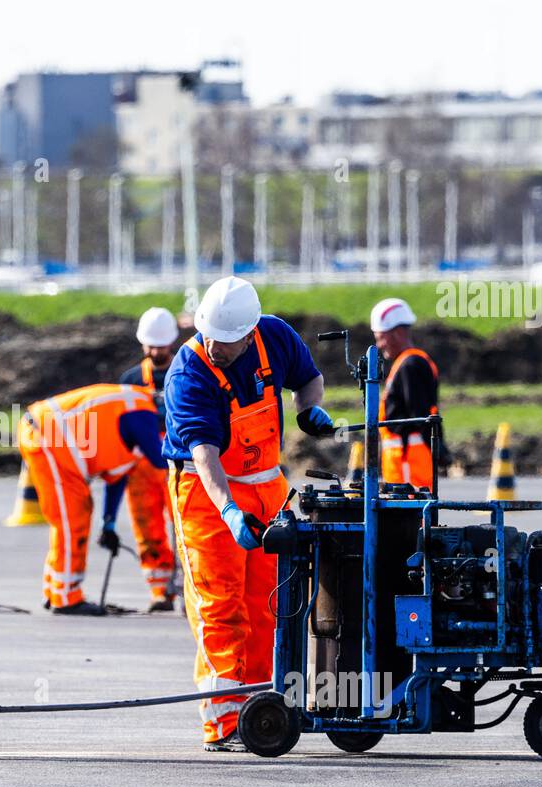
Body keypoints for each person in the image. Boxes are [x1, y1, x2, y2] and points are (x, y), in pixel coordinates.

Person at [163, 276, 334, 751]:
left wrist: (308, 410)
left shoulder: (275, 337)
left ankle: (259, 711)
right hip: (206, 492)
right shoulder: (189, 373)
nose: (215, 346)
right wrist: (230, 512)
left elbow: (309, 380)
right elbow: (204, 456)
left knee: (268, 604)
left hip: (267, 486)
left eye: (226, 340)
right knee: (220, 606)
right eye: (209, 336)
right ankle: (222, 720)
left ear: (250, 332)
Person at [18, 383, 167, 616]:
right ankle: (66, 597)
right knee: (71, 520)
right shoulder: (142, 412)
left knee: (70, 518)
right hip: (49, 435)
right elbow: (161, 460)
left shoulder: (135, 412)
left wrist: (108, 523)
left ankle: (55, 589)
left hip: (47, 434)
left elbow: (116, 478)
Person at [117, 307, 178, 611]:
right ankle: (158, 588)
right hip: (140, 466)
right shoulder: (130, 380)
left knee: (183, 525)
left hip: (178, 462)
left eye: (161, 345)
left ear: (172, 342)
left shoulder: (184, 372)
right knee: (147, 526)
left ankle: (185, 585)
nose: (156, 351)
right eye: (151, 345)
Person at [371, 298, 442, 491]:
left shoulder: (411, 365)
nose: (379, 345)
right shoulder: (406, 363)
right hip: (405, 463)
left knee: (413, 518)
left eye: (380, 337)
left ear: (398, 333)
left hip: (410, 465)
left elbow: (420, 416)